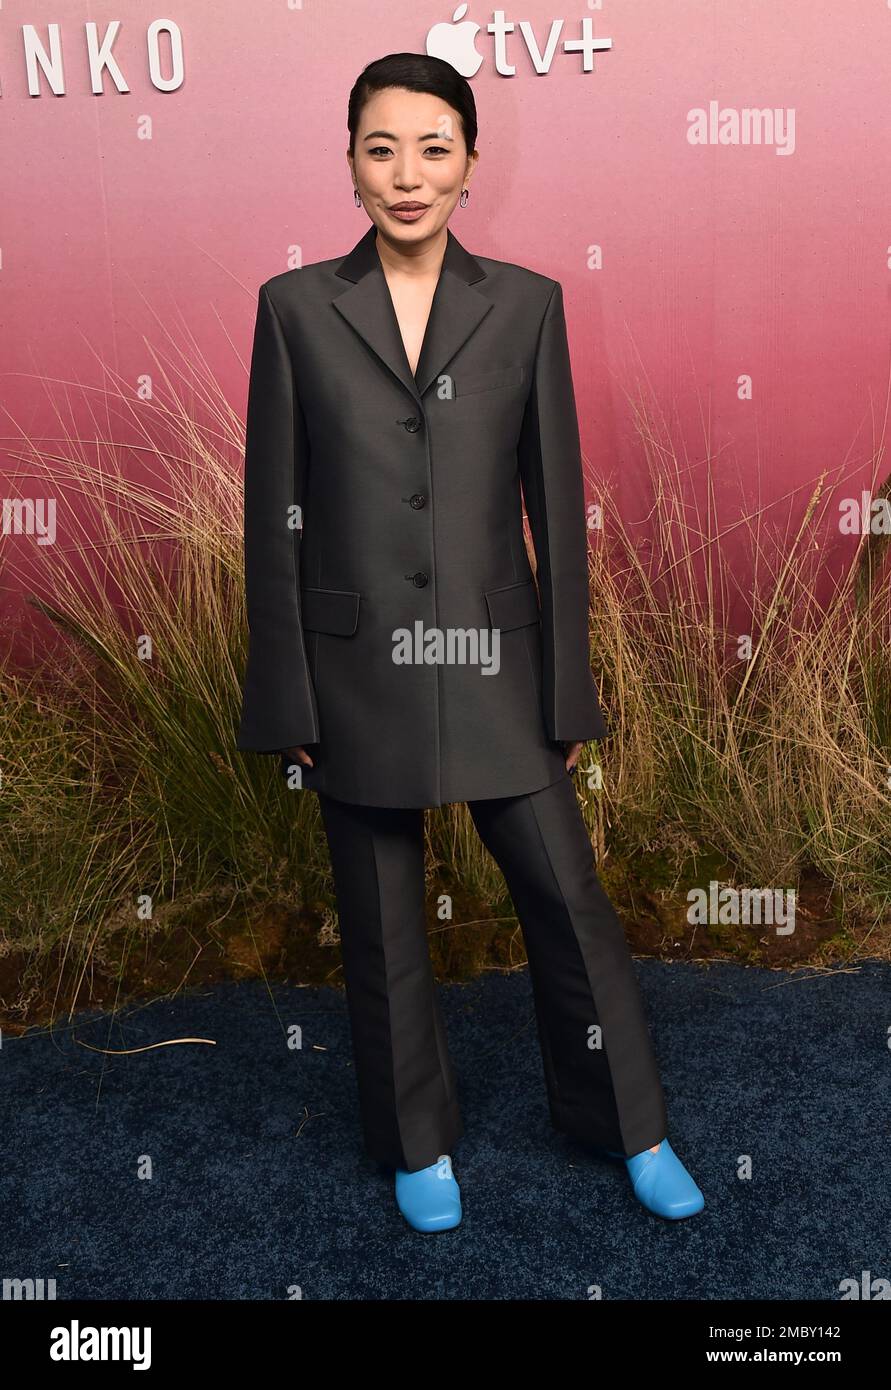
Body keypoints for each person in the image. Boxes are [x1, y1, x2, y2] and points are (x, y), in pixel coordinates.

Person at [236, 52, 704, 1231]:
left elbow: (557, 503)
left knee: (570, 903)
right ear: (351, 165)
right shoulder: (293, 309)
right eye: (382, 148)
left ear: (470, 164)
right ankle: (417, 1146)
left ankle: (632, 1125)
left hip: (498, 664)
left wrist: (567, 686)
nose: (408, 174)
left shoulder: (529, 304)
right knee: (383, 924)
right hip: (352, 672)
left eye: (433, 148)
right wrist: (287, 697)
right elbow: (272, 517)